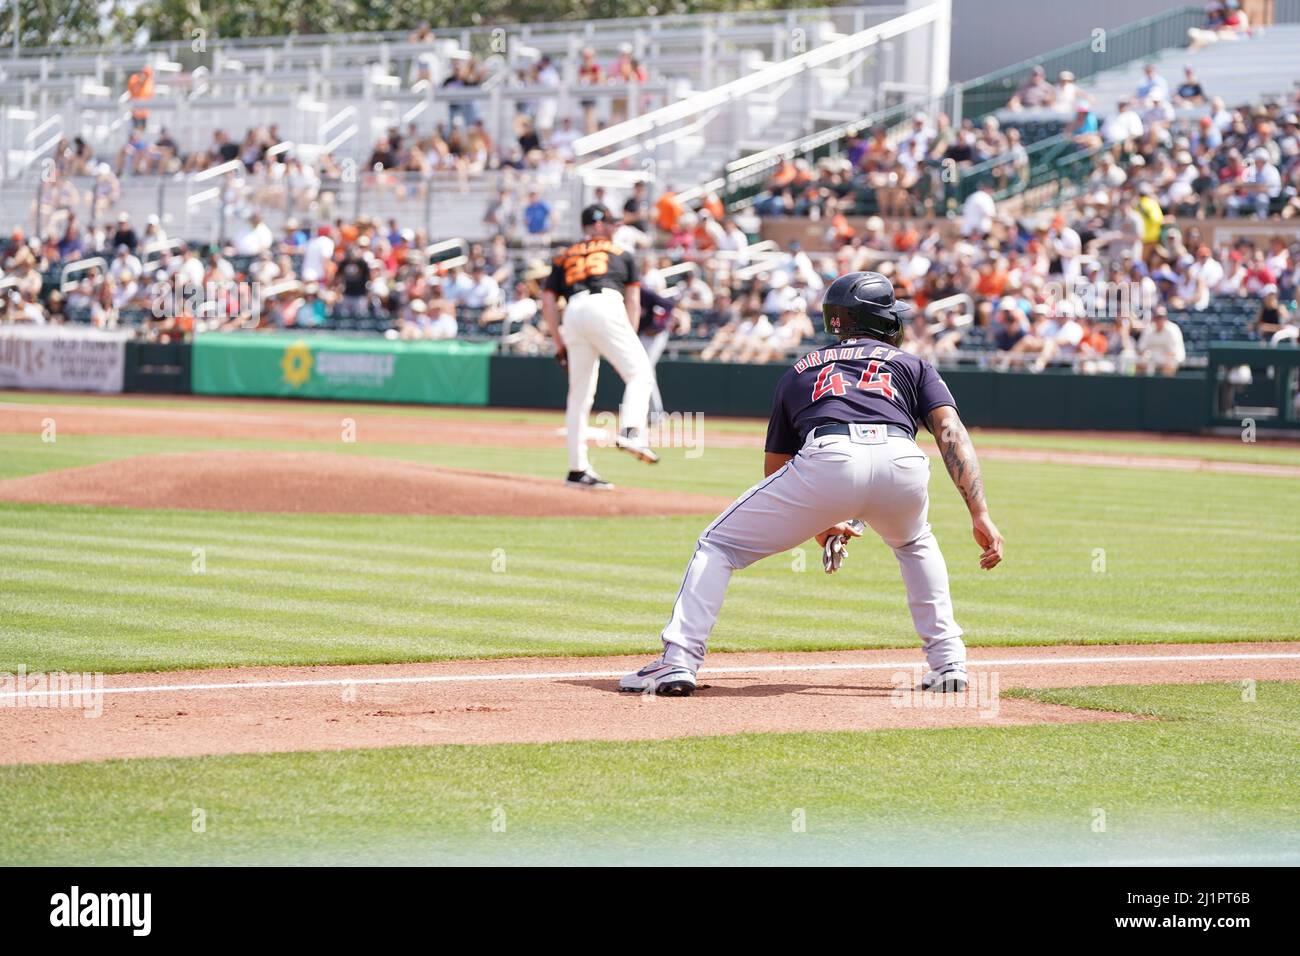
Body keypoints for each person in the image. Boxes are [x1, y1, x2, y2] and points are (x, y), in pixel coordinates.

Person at [619, 271, 1004, 696]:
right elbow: (951, 433)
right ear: (882, 321)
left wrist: (819, 520)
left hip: (829, 455)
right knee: (914, 543)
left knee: (718, 545)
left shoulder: (799, 370)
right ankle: (948, 661)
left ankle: (678, 662)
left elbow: (776, 468)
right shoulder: (913, 364)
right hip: (904, 460)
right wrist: (979, 511)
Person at [541, 204, 659, 489]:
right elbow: (632, 301)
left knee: (578, 396)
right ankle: (631, 431)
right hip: (606, 305)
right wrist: (627, 335)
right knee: (640, 374)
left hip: (573, 312)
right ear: (599, 226)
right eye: (610, 224)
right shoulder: (622, 253)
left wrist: (559, 343)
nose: (613, 228)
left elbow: (547, 302)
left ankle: (577, 469)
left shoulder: (564, 256)